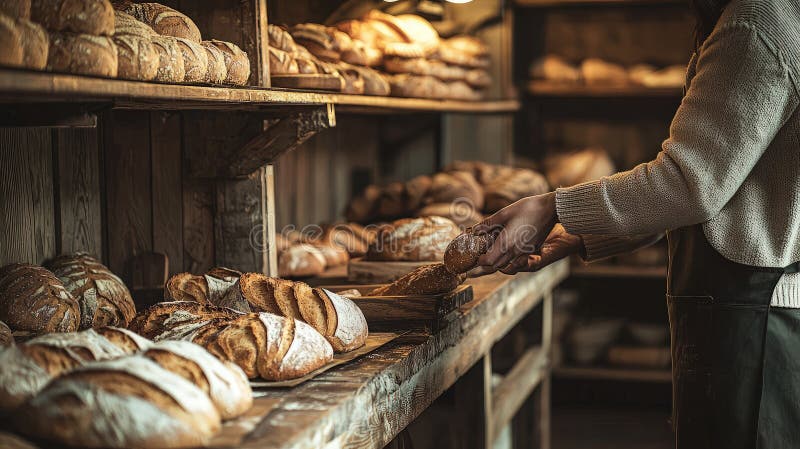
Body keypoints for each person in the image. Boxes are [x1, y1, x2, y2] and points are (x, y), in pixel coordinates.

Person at [467, 0, 800, 448]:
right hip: (763, 311)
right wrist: (575, 233)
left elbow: (688, 184)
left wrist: (553, 206)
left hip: (751, 323)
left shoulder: (756, 23)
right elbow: (721, 187)